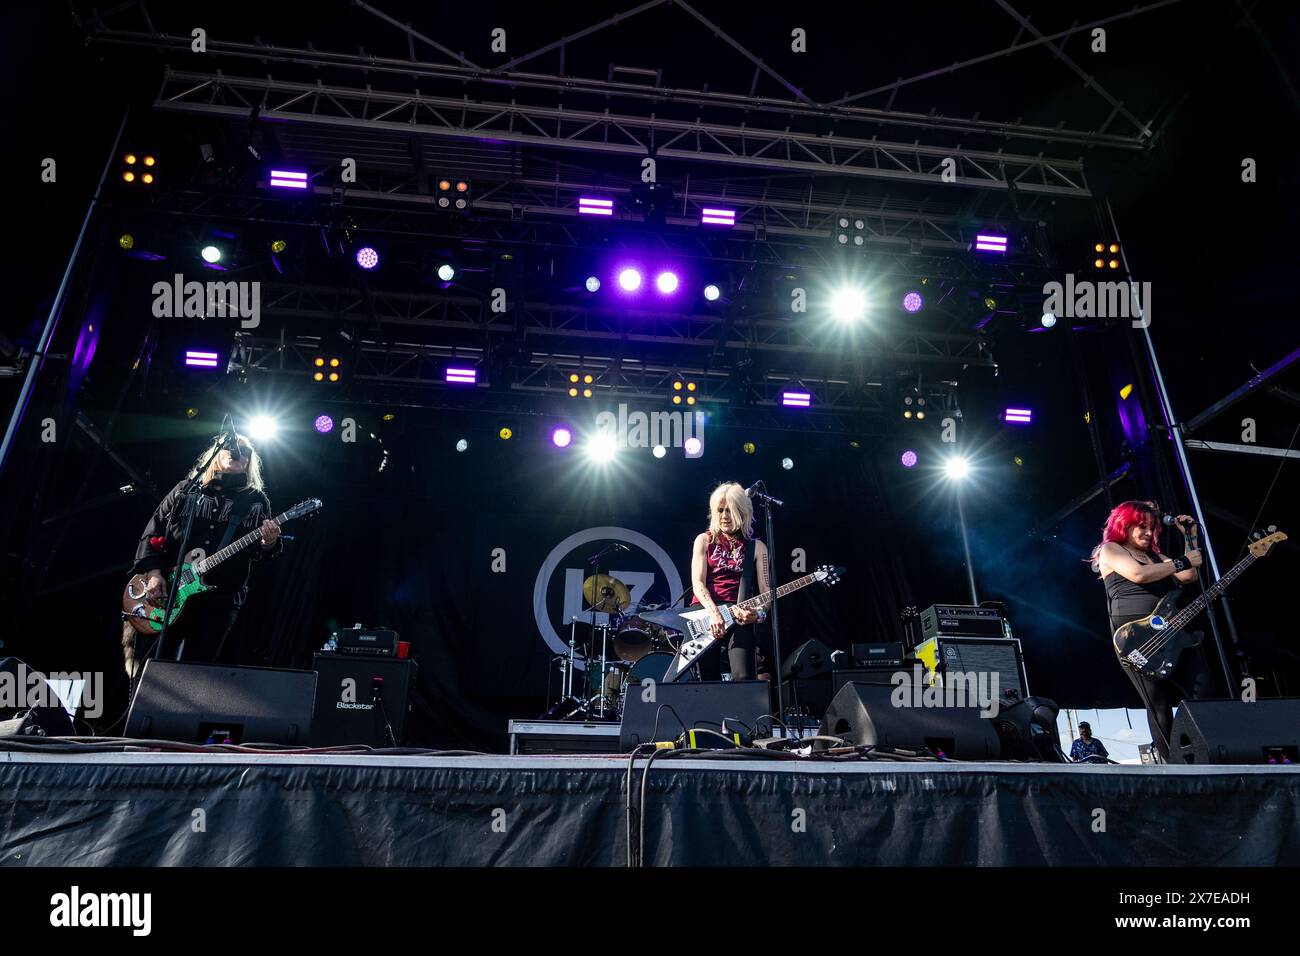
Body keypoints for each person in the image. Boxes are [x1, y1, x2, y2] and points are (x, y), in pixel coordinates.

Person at [122, 434, 281, 688]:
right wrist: (154, 574)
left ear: (249, 462)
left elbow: (260, 554)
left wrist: (268, 542)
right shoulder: (186, 490)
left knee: (197, 675)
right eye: (231, 448)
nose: (237, 453)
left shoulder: (255, 501)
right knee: (150, 671)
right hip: (168, 593)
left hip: (219, 600)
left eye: (245, 452)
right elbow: (154, 530)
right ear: (215, 453)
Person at [1092, 500, 1212, 762]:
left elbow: (1188, 576)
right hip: (1134, 638)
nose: (1148, 532)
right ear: (1125, 525)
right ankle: (1173, 766)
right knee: (1158, 703)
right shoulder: (1110, 549)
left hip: (1169, 634)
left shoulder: (1156, 555)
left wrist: (1190, 537)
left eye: (1152, 527)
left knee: (1203, 687)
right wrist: (1182, 561)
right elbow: (1139, 575)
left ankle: (1202, 754)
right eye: (1141, 527)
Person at [689, 482, 770, 681]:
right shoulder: (704, 540)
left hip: (739, 613)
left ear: (742, 512)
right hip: (706, 613)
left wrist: (758, 613)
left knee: (744, 677)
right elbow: (698, 583)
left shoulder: (757, 547)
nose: (724, 515)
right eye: (720, 510)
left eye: (730, 510)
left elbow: (766, 592)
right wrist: (714, 613)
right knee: (708, 679)